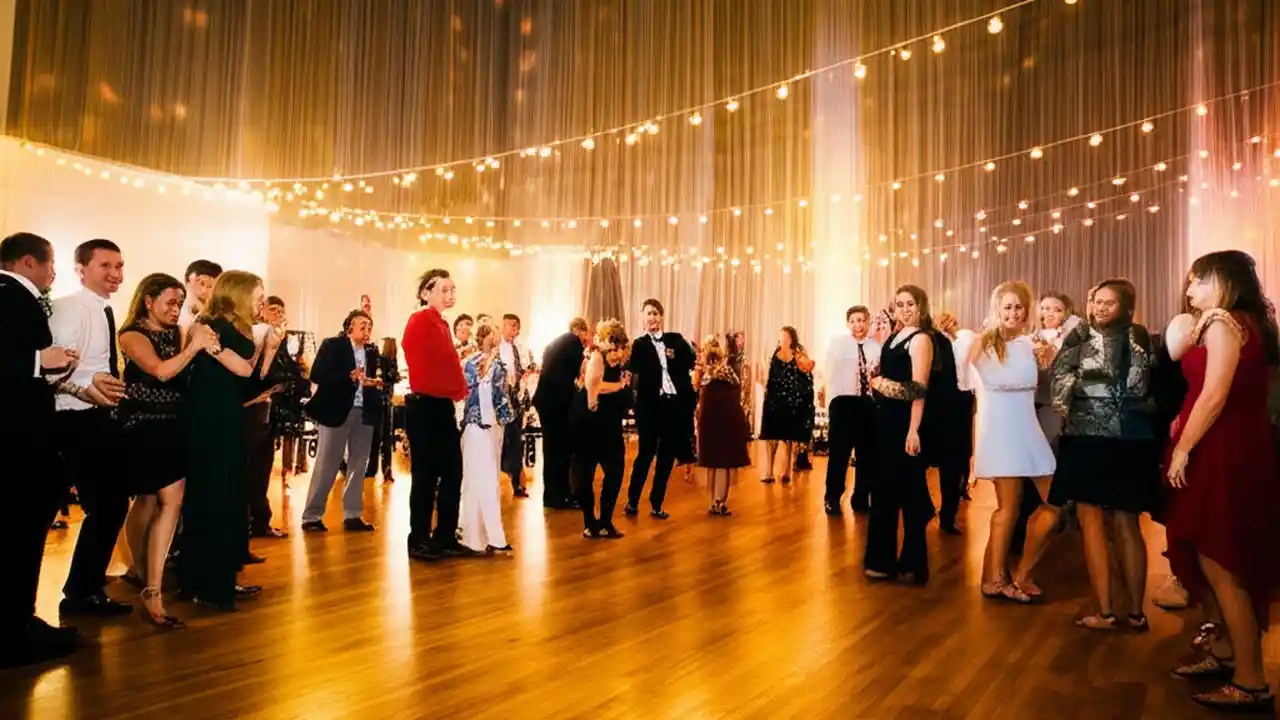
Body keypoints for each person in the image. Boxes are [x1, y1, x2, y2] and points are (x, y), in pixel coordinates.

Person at [1164, 251, 1280, 711]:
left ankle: (1251, 681)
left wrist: (1184, 448)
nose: (1190, 291)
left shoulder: (1222, 322)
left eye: (1198, 282)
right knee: (1212, 553)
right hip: (1232, 444)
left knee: (1221, 560)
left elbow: (1214, 395)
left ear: (1225, 283)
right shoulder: (1244, 322)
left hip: (1221, 450)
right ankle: (1228, 653)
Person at [1031, 279, 1160, 626]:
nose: (1100, 308)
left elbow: (1063, 388)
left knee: (1117, 523)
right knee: (1105, 522)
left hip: (1106, 438)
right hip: (1114, 437)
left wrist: (1079, 381)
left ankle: (1121, 612)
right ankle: (1121, 612)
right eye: (1096, 301)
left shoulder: (1120, 335)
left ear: (1126, 307)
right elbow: (1138, 385)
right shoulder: (1126, 336)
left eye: (1109, 303)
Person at [117, 273, 216, 627]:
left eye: (178, 303)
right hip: (141, 427)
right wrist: (193, 346)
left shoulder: (176, 333)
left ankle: (152, 587)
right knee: (145, 500)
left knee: (171, 501)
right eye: (169, 303)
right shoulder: (131, 335)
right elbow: (160, 371)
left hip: (174, 426)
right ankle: (139, 567)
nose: (176, 310)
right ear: (148, 301)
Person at [0, 232, 81, 667]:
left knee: (24, 535)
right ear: (29, 261)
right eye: (51, 264)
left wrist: (47, 369)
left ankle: (21, 618)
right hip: (16, 442)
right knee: (17, 535)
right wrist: (39, 361)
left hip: (22, 436)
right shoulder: (9, 296)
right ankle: (12, 633)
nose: (54, 272)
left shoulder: (16, 296)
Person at [181, 270, 280, 610]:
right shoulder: (208, 326)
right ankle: (206, 584)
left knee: (231, 496)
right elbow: (240, 370)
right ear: (238, 294)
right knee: (214, 498)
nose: (262, 302)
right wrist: (256, 353)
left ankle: (224, 577)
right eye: (257, 295)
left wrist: (269, 352)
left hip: (228, 418)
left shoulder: (234, 329)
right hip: (209, 423)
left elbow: (251, 381)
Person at [955, 281, 1056, 602]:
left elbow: (1051, 386)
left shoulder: (1032, 344)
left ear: (1027, 311)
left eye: (1018, 307)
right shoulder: (980, 342)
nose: (1013, 313)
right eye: (1007, 306)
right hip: (999, 432)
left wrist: (1049, 357)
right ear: (997, 309)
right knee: (1007, 509)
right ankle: (994, 580)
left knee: (1056, 505)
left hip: (1029, 429)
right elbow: (965, 373)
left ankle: (1022, 572)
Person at [49, 238, 133, 617]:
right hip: (73, 418)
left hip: (96, 416)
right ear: (81, 269)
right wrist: (87, 391)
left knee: (111, 506)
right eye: (105, 266)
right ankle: (82, 592)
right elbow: (51, 372)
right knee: (107, 506)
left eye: (119, 266)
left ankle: (85, 588)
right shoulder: (70, 308)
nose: (115, 274)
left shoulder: (102, 310)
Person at [402, 269, 475, 561]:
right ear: (426, 293)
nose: (450, 295)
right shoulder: (421, 320)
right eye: (443, 290)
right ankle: (418, 539)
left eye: (452, 289)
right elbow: (433, 365)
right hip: (425, 405)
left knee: (452, 472)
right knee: (425, 476)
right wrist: (459, 385)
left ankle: (444, 536)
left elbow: (447, 365)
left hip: (440, 404)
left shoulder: (440, 323)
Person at [865, 285, 934, 585]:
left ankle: (913, 562)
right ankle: (882, 560)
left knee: (910, 494)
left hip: (906, 423)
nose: (905, 309)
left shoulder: (921, 340)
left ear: (921, 306)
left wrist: (913, 430)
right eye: (900, 304)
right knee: (884, 492)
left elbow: (918, 389)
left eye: (910, 304)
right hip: (886, 422)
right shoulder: (895, 337)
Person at [301, 310, 382, 532]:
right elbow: (317, 375)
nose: (367, 330)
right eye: (362, 325)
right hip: (336, 410)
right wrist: (348, 377)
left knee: (359, 464)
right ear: (350, 327)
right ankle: (312, 515)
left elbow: (370, 378)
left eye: (369, 326)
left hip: (364, 411)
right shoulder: (333, 345)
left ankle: (353, 515)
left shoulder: (372, 352)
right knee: (327, 463)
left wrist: (373, 382)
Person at [624, 298, 696, 519]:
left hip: (673, 405)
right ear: (643, 318)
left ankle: (656, 503)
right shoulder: (639, 344)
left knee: (666, 457)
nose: (653, 318)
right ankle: (633, 501)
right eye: (649, 314)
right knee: (645, 454)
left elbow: (691, 361)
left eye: (656, 313)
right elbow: (631, 371)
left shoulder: (675, 340)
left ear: (662, 317)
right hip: (649, 406)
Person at [571, 320, 631, 538]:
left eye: (620, 349)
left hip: (608, 424)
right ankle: (590, 521)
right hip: (588, 423)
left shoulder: (618, 364)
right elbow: (592, 389)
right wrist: (619, 387)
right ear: (606, 345)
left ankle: (606, 521)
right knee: (584, 474)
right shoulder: (597, 357)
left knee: (615, 471)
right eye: (614, 349)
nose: (617, 354)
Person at [459, 324, 514, 554]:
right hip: (486, 427)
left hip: (472, 427)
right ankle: (492, 537)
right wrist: (506, 419)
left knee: (472, 481)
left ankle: (471, 535)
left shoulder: (468, 364)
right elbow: (501, 399)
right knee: (487, 480)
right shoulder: (496, 366)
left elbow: (463, 395)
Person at [823, 307, 880, 514]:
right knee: (839, 454)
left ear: (868, 322)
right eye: (854, 321)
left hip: (866, 404)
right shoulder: (838, 344)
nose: (858, 325)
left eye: (862, 320)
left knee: (866, 454)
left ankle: (861, 496)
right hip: (843, 403)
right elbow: (829, 372)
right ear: (848, 323)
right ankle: (832, 496)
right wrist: (831, 401)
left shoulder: (875, 346)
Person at [533, 317, 591, 506]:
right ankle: (560, 495)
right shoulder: (573, 344)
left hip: (548, 403)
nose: (587, 338)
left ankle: (553, 494)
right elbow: (569, 378)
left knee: (552, 451)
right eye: (587, 333)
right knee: (560, 451)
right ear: (580, 331)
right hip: (557, 405)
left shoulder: (558, 343)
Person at [695, 335, 751, 516]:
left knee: (712, 463)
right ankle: (721, 502)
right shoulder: (730, 373)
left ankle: (713, 502)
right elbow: (739, 394)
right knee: (725, 464)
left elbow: (698, 398)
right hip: (730, 421)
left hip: (710, 421)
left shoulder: (704, 375)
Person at [758, 326, 815, 484]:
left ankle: (787, 470)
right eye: (781, 337)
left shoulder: (798, 354)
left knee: (788, 438)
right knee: (770, 437)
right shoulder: (774, 354)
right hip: (774, 399)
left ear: (791, 339)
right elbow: (767, 375)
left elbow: (807, 371)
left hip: (791, 400)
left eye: (785, 337)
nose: (782, 340)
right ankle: (769, 471)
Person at [497, 314, 531, 498]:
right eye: (511, 326)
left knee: (516, 441)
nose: (514, 331)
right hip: (500, 398)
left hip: (516, 398)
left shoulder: (520, 348)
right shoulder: (496, 347)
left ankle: (517, 481)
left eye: (517, 327)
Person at [365, 337, 401, 483]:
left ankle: (375, 470)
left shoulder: (383, 361)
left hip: (381, 401)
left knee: (379, 436)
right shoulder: (386, 361)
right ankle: (384, 470)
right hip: (384, 401)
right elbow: (390, 379)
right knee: (384, 436)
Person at [179, 259, 222, 338]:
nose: (204, 289)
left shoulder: (219, 314)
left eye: (210, 286)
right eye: (201, 283)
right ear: (187, 282)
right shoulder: (178, 311)